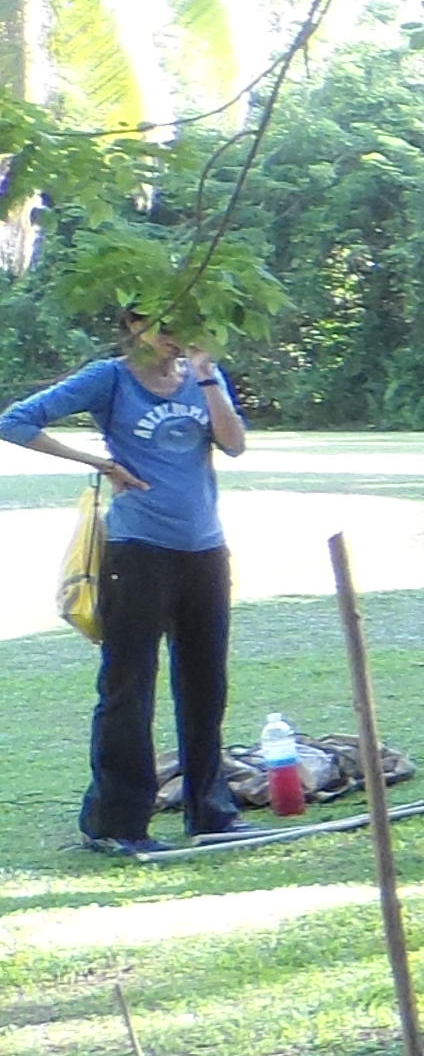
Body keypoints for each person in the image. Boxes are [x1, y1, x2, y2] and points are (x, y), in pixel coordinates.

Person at [7, 304, 251, 853]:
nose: (174, 339)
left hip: (205, 549)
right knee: (128, 686)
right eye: (163, 327)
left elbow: (233, 444)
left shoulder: (201, 377)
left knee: (206, 682)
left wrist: (207, 375)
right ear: (132, 327)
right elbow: (16, 421)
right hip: (136, 549)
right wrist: (99, 463)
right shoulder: (110, 378)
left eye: (183, 327)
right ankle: (116, 823)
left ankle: (211, 812)